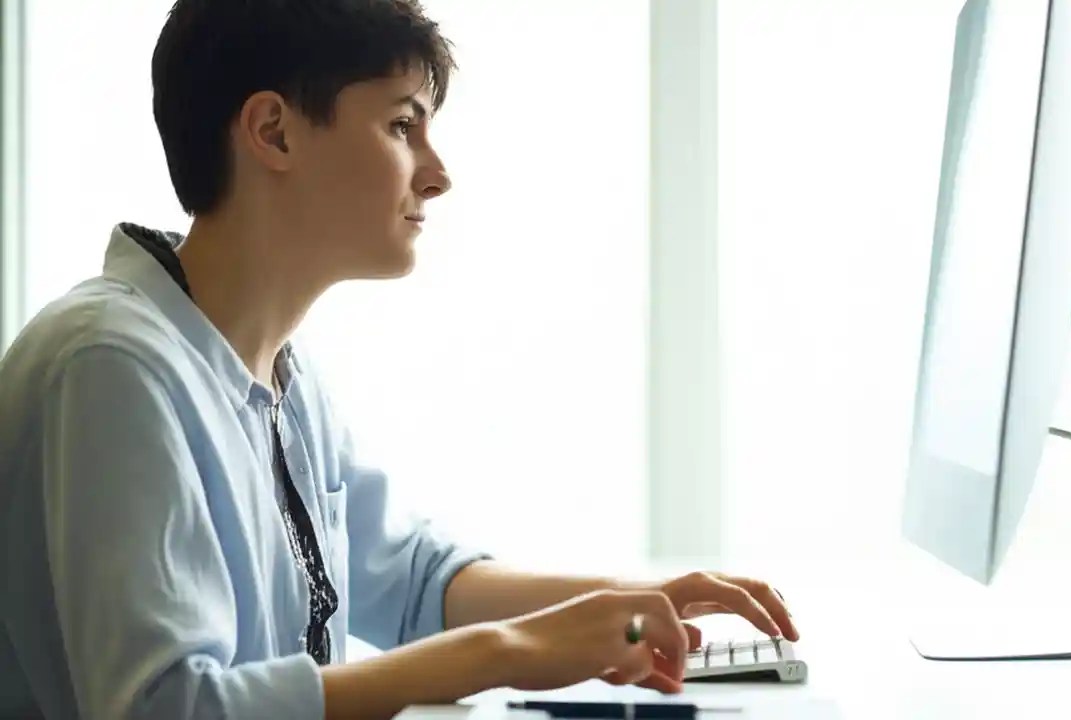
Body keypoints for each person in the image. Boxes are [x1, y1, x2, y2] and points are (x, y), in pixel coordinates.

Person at [0, 1, 799, 718]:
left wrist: (637, 599)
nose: (438, 173)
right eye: (402, 126)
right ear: (273, 131)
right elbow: (166, 708)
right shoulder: (112, 366)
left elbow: (414, 586)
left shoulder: (272, 367)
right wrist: (503, 655)